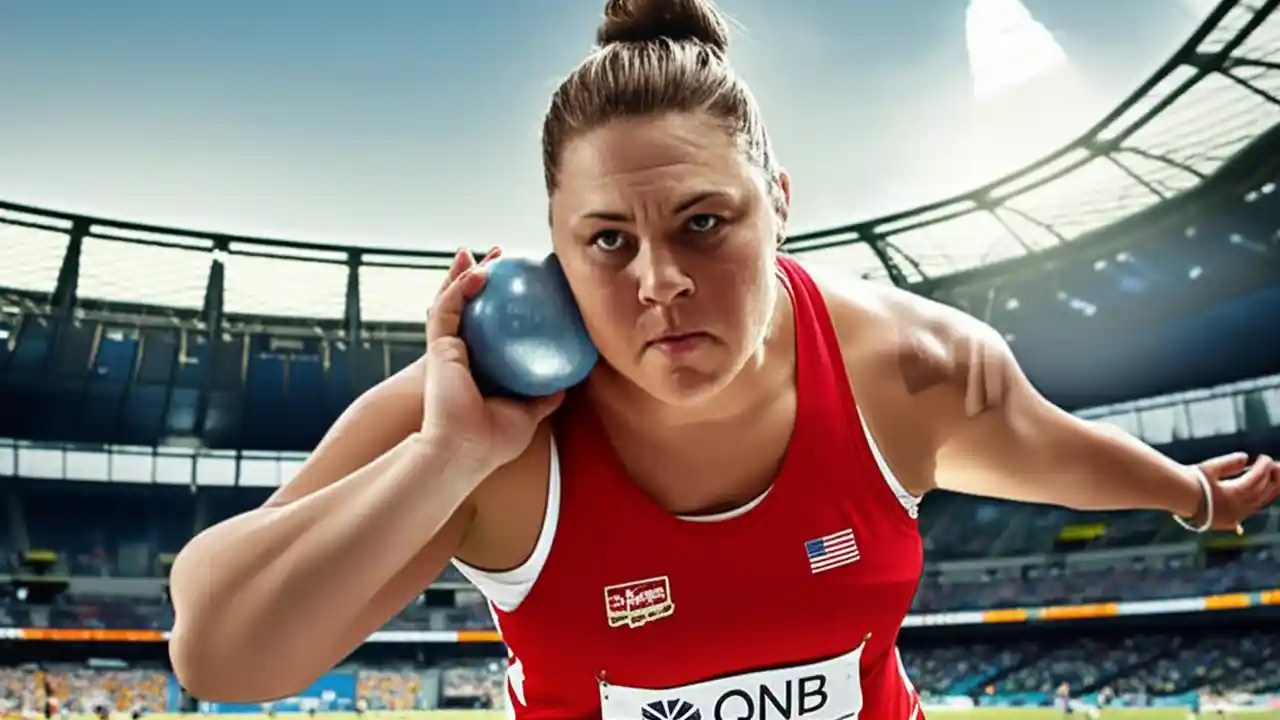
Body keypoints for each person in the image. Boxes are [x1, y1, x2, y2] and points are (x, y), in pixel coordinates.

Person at [165, 0, 1280, 717]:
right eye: (607, 241)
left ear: (777, 203)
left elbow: (1046, 448)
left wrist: (1189, 494)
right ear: (549, 249)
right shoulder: (478, 423)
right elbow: (220, 652)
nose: (657, 281)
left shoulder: (911, 366)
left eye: (704, 222)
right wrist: (445, 460)